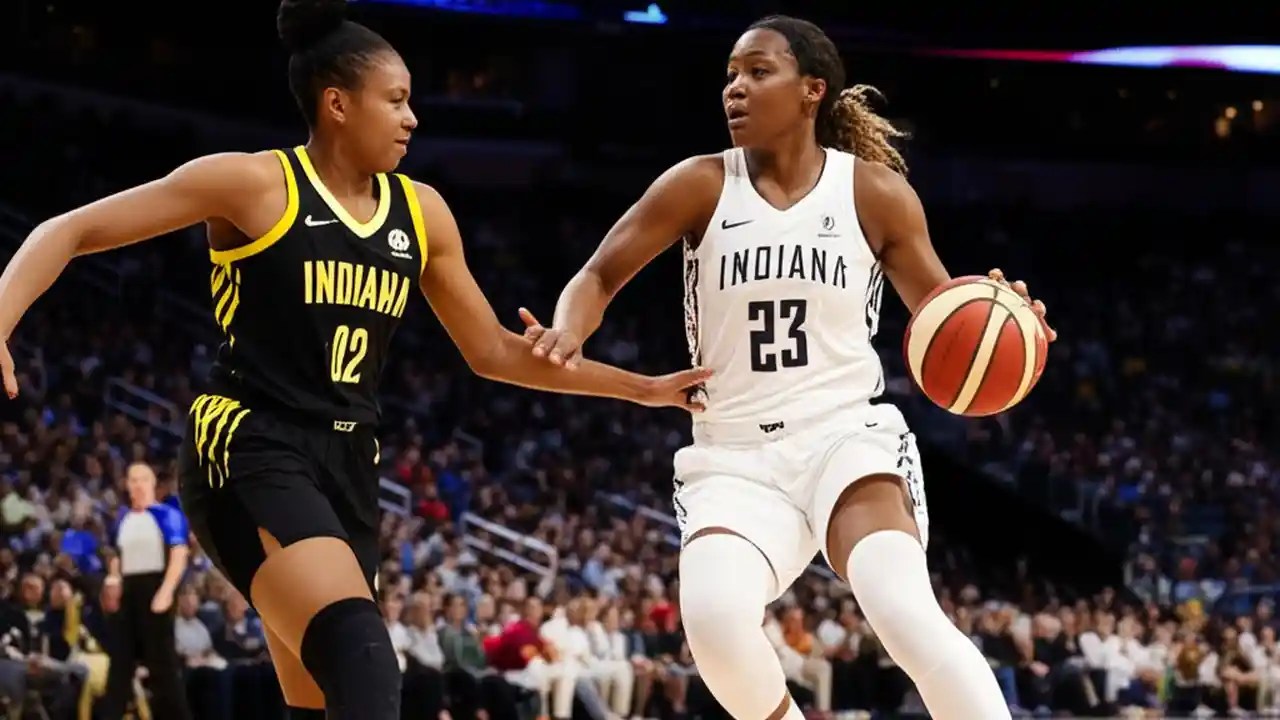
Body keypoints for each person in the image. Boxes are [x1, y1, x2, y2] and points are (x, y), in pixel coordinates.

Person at [0, 1, 708, 717]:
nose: (413, 118)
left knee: (329, 699)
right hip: (250, 443)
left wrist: (644, 389)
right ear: (337, 103)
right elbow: (72, 229)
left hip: (348, 465)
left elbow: (492, 350)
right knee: (366, 663)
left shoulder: (422, 212)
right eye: (396, 100)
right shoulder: (254, 184)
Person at [523, 14, 1056, 720]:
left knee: (899, 606)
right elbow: (595, 277)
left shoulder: (873, 193)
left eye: (757, 72)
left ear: (812, 90)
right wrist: (567, 330)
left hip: (843, 435)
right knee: (712, 619)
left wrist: (1006, 319)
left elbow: (946, 319)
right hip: (735, 453)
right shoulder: (699, 184)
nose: (735, 89)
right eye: (730, 76)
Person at [102, 461, 193, 720]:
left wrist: (166, 591)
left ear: (153, 484)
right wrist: (113, 580)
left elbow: (179, 554)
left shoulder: (167, 515)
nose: (138, 485)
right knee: (119, 664)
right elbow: (116, 554)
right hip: (128, 590)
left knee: (162, 666)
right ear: (127, 485)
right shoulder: (122, 518)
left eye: (143, 479)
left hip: (156, 587)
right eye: (133, 479)